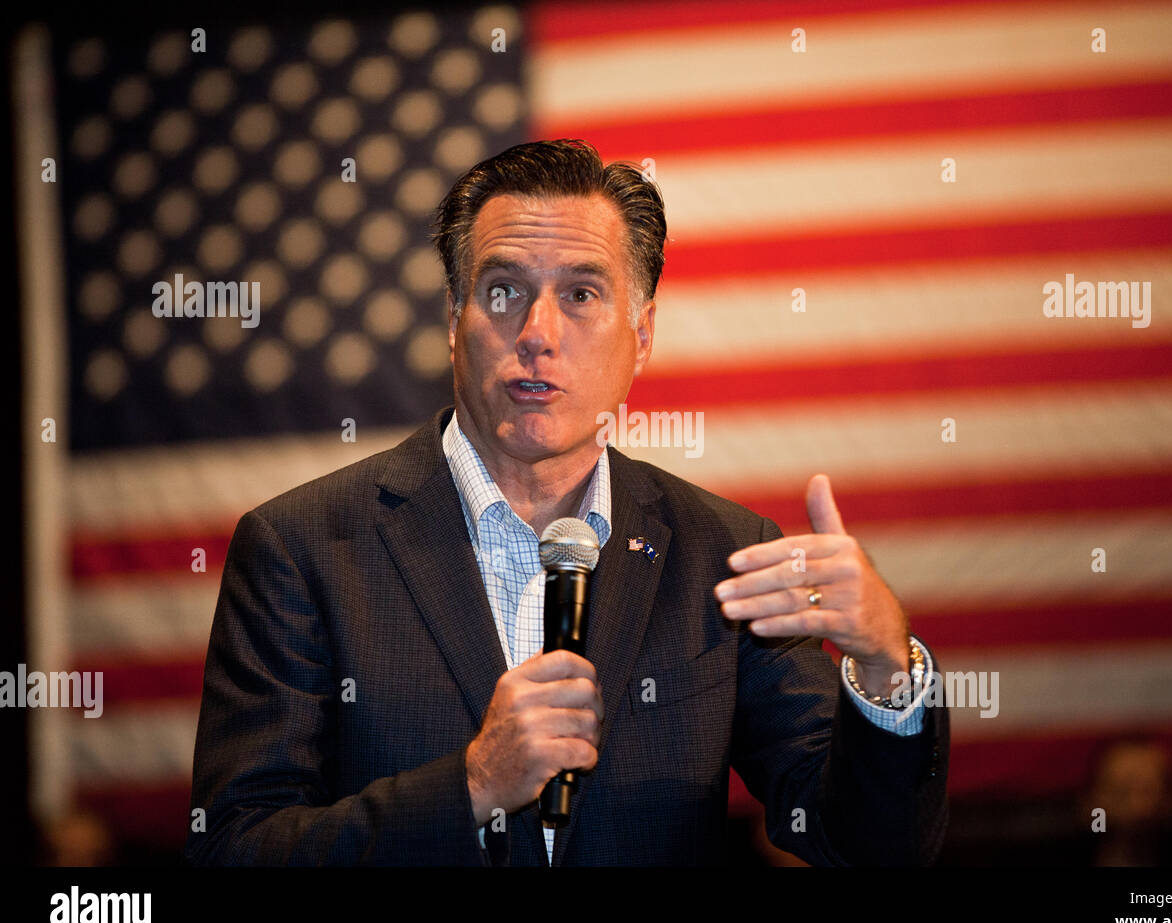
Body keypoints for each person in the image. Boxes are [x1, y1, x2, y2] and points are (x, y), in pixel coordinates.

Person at [184, 139, 949, 866]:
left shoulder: (725, 555)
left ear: (641, 336)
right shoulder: (302, 549)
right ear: (454, 320)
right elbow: (233, 848)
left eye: (581, 293)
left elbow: (867, 849)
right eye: (504, 290)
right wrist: (471, 788)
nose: (537, 333)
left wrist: (885, 664)